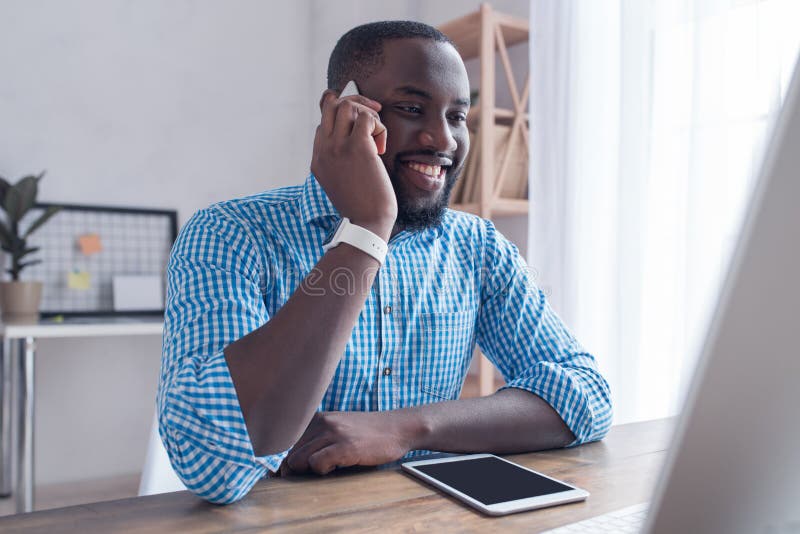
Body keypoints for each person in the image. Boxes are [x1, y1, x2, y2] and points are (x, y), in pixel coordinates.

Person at [158, 20, 612, 505]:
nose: (445, 140)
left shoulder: (477, 246)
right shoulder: (230, 235)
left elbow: (586, 397)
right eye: (412, 109)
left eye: (458, 116)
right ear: (342, 112)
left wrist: (404, 429)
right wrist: (366, 229)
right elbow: (212, 464)